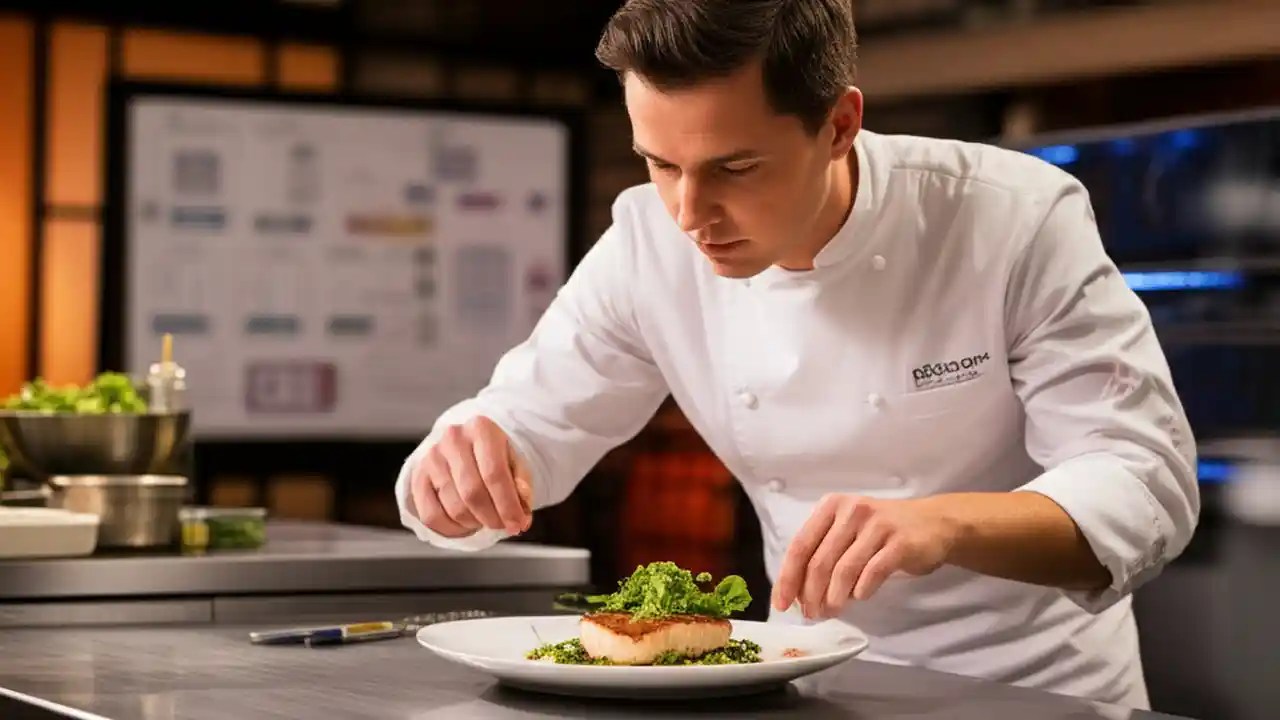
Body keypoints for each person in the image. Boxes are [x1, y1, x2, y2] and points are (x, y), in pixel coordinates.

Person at [394, 0, 1199, 710]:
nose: (690, 213)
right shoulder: (649, 245)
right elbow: (520, 425)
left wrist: (943, 522)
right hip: (806, 681)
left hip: (1034, 691)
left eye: (736, 168)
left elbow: (1141, 481)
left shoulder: (1012, 220)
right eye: (661, 163)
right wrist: (462, 472)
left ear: (840, 125)